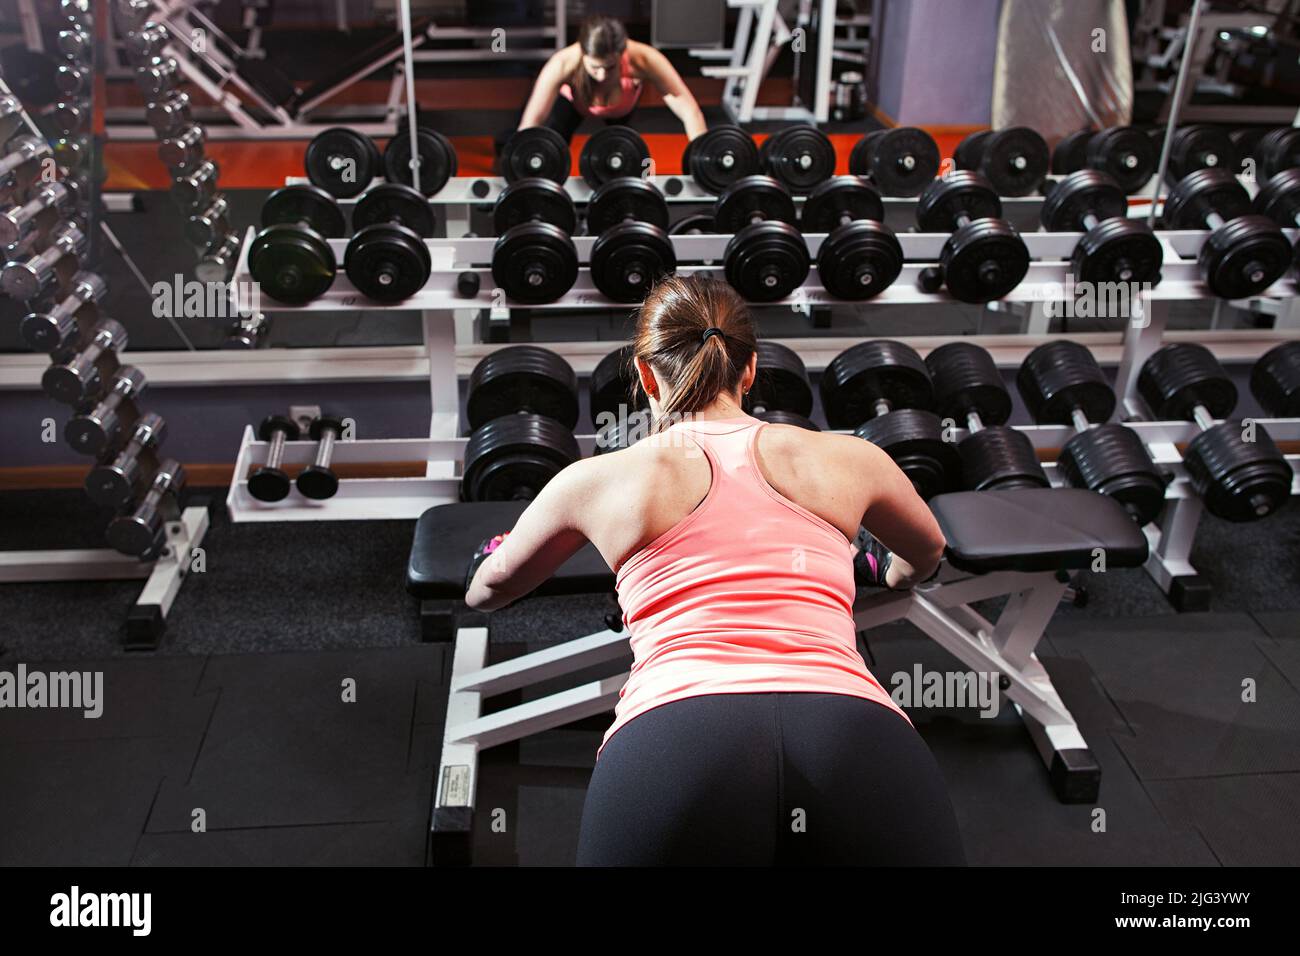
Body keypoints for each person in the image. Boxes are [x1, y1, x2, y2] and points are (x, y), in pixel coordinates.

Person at [465, 275, 965, 866]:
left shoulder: (594, 482)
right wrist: (890, 573)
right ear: (749, 370)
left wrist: (489, 556)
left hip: (675, 741)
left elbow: (490, 590)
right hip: (852, 733)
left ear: (646, 376)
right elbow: (928, 550)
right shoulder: (851, 457)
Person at [503, 15, 708, 152]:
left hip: (622, 108)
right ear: (583, 53)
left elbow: (690, 111)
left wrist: (702, 157)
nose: (601, 76)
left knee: (623, 155)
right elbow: (531, 121)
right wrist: (520, 163)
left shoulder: (644, 59)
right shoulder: (563, 63)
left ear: (622, 53)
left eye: (610, 68)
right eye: (594, 68)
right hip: (574, 104)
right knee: (552, 150)